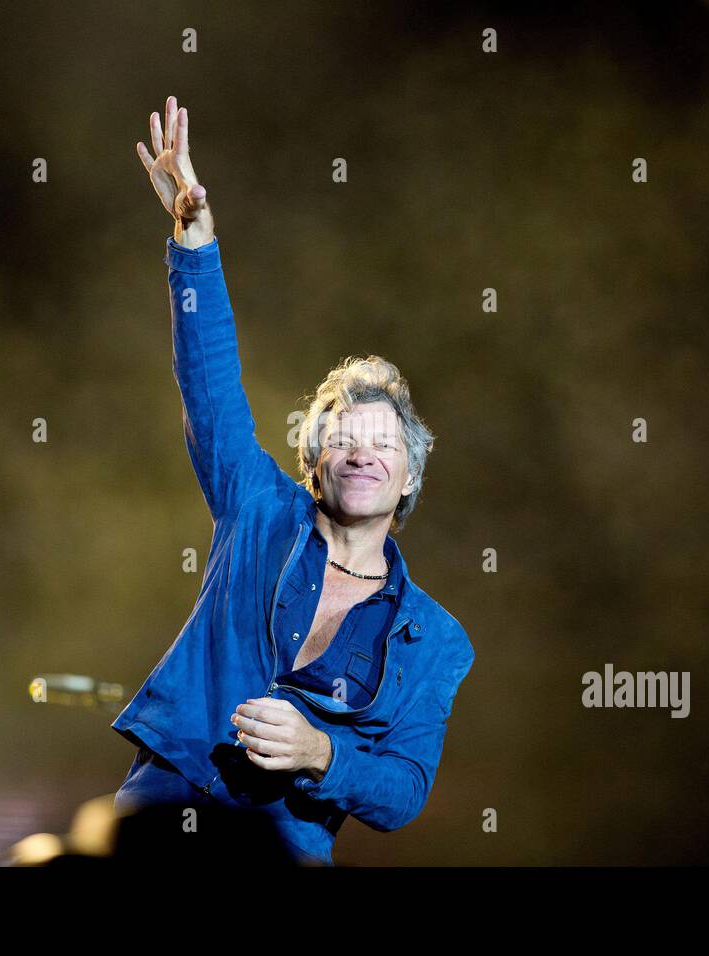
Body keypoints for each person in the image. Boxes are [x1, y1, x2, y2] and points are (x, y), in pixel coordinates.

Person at [110, 95, 475, 866]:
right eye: (343, 435)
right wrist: (195, 243)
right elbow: (210, 389)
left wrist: (320, 754)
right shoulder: (259, 509)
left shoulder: (438, 640)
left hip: (280, 850)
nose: (362, 450)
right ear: (315, 460)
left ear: (410, 475)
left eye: (384, 441)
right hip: (161, 816)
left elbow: (405, 789)